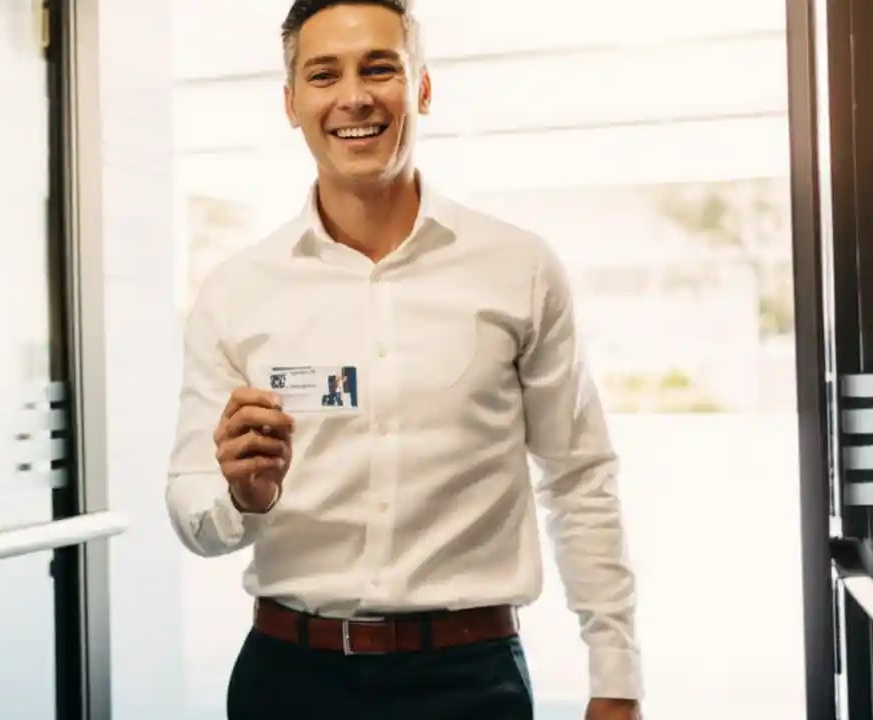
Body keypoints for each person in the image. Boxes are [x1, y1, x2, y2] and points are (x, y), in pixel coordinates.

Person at [164, 1, 643, 718]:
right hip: (289, 684)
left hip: (470, 684)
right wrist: (243, 496)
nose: (353, 97)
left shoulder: (519, 267)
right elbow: (189, 509)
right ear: (292, 103)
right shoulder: (236, 292)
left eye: (378, 68)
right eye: (323, 74)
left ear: (421, 86)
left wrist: (616, 677)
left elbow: (579, 477)